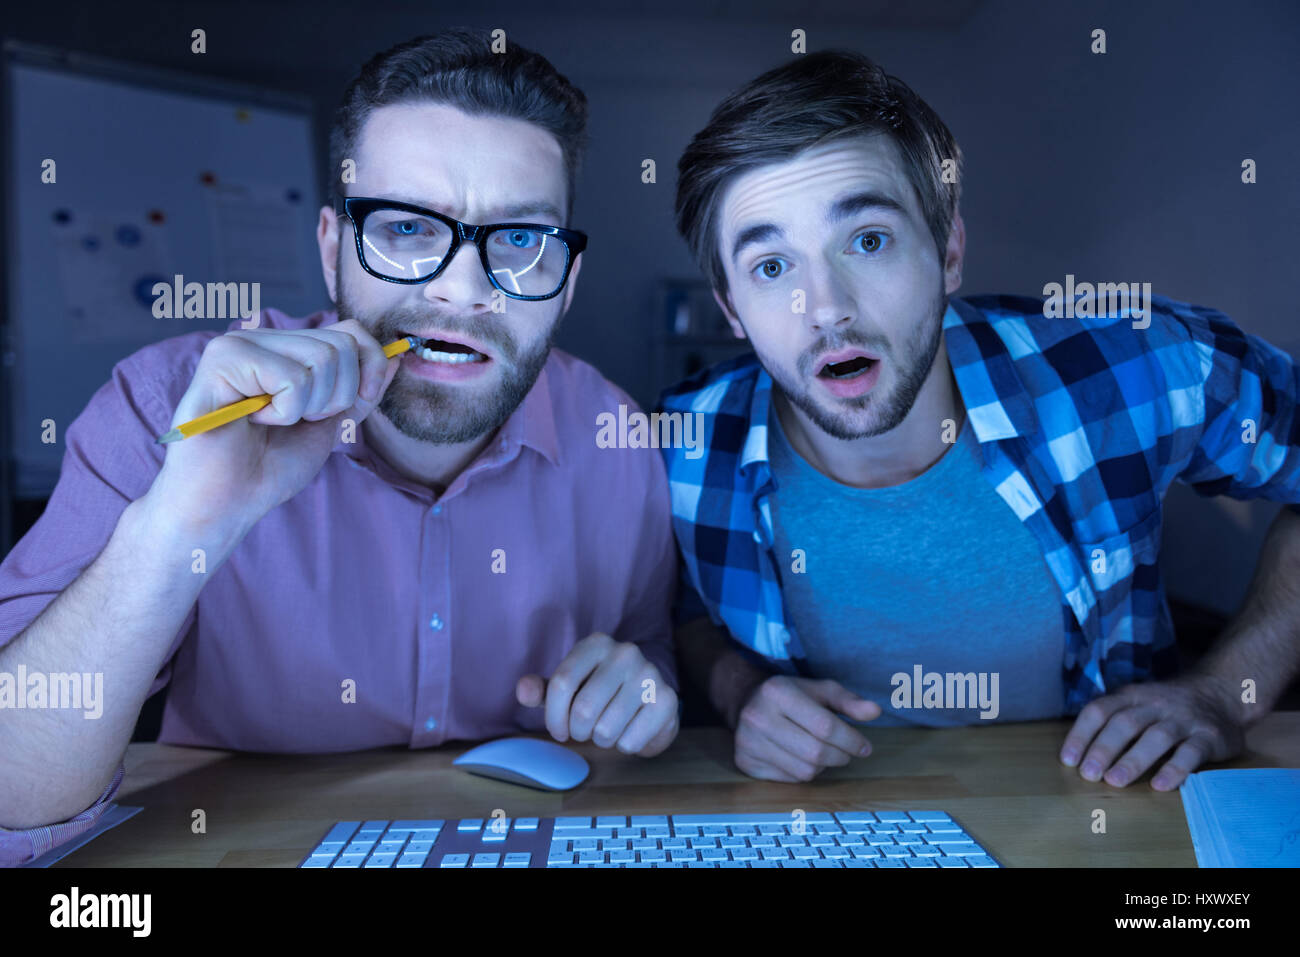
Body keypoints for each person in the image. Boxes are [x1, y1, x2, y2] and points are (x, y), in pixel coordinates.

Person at [0, 30, 679, 867]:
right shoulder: (161, 408)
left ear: (565, 285)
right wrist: (177, 526)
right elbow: (7, 798)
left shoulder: (619, 442)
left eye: (519, 242)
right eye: (403, 228)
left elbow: (651, 650)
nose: (460, 290)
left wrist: (645, 688)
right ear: (332, 248)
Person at [659, 49, 1300, 786]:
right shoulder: (680, 448)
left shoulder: (1137, 368)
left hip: (1109, 819)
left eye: (868, 240)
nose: (826, 307)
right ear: (732, 308)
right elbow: (685, 611)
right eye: (771, 266)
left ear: (949, 250)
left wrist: (1226, 688)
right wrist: (740, 694)